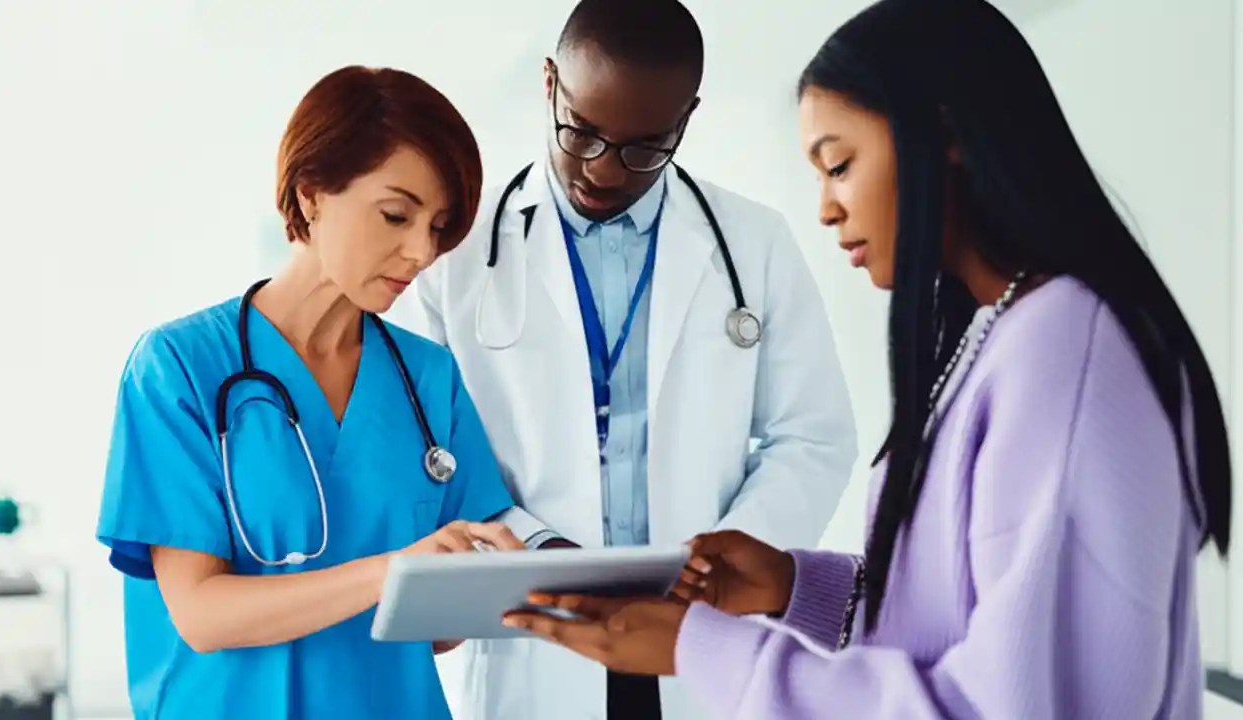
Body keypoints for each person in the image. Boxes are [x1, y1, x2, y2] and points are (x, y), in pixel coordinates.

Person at [500, 0, 1234, 717]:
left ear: (942, 134)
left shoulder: (1060, 352)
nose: (825, 207)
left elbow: (995, 703)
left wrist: (705, 650)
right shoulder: (998, 338)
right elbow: (961, 622)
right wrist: (796, 587)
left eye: (839, 164)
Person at [386, 0, 858, 717]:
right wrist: (534, 548)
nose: (603, 171)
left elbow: (813, 435)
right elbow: (429, 453)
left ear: (685, 120)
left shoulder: (753, 243)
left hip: (701, 630)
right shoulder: (454, 255)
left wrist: (732, 555)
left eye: (643, 148)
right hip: (535, 635)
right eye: (581, 132)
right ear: (549, 85)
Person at [95, 65, 524, 719]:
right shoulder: (180, 367)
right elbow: (202, 614)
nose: (421, 252)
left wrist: (482, 581)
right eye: (396, 215)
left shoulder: (429, 378)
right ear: (312, 192)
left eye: (438, 227)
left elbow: (439, 633)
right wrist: (392, 572)